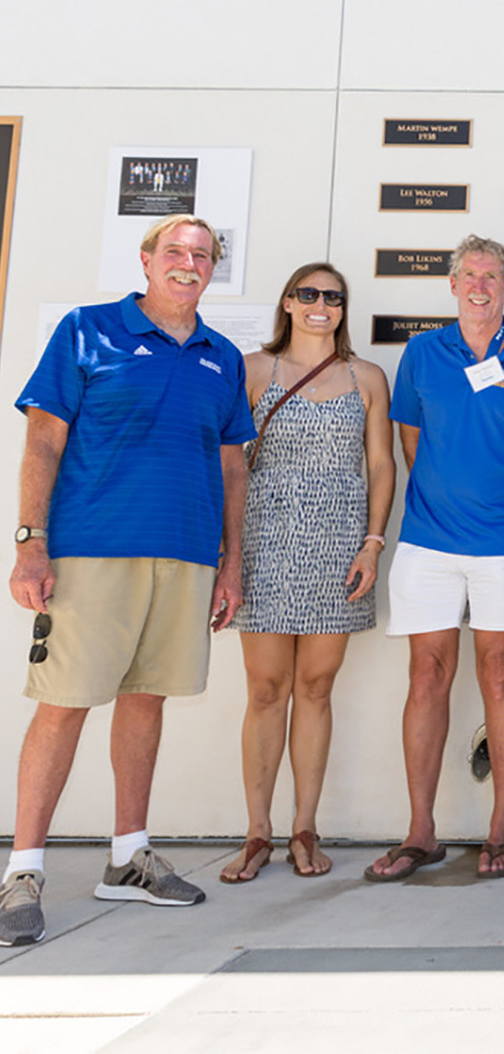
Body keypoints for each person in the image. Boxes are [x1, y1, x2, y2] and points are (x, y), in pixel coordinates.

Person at [1, 215, 256, 947]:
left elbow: (233, 465)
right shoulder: (87, 330)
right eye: (174, 251)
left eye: (201, 255)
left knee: (147, 701)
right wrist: (30, 542)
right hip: (91, 551)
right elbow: (44, 438)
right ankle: (22, 872)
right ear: (147, 261)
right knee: (65, 704)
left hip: (185, 556)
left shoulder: (222, 357)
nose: (187, 263)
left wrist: (230, 563)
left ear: (213, 271)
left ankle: (127, 857)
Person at [365, 235, 504, 884]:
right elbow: (412, 442)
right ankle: (421, 830)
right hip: (428, 540)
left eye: (493, 276)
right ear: (452, 285)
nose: (480, 285)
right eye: (469, 275)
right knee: (427, 675)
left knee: (501, 676)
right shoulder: (422, 353)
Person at [221, 263, 396, 882]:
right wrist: (228, 554)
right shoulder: (251, 370)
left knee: (317, 689)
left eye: (334, 297)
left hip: (340, 546)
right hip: (265, 542)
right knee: (265, 688)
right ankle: (256, 832)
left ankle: (304, 827)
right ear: (288, 302)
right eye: (309, 294)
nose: (322, 305)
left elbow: (381, 466)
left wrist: (372, 544)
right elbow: (228, 464)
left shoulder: (367, 377)